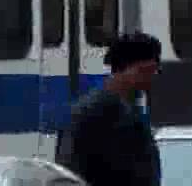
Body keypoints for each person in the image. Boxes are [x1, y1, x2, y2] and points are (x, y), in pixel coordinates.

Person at [55, 32, 162, 186]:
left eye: (153, 71)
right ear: (121, 70)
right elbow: (68, 175)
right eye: (144, 71)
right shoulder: (87, 115)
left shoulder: (135, 114)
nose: (150, 78)